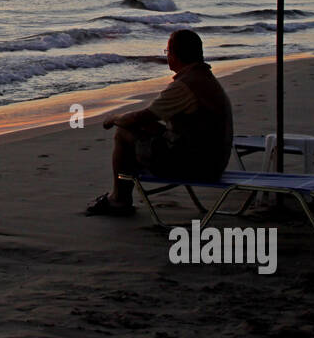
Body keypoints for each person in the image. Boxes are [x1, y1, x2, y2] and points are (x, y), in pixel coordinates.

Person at [86, 29, 233, 216]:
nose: (167, 55)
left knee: (124, 133)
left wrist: (114, 118)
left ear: (175, 54)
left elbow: (140, 117)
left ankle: (119, 199)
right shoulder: (205, 79)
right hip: (212, 161)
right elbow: (155, 121)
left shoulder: (185, 85)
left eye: (167, 51)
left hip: (196, 166)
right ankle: (121, 195)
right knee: (144, 129)